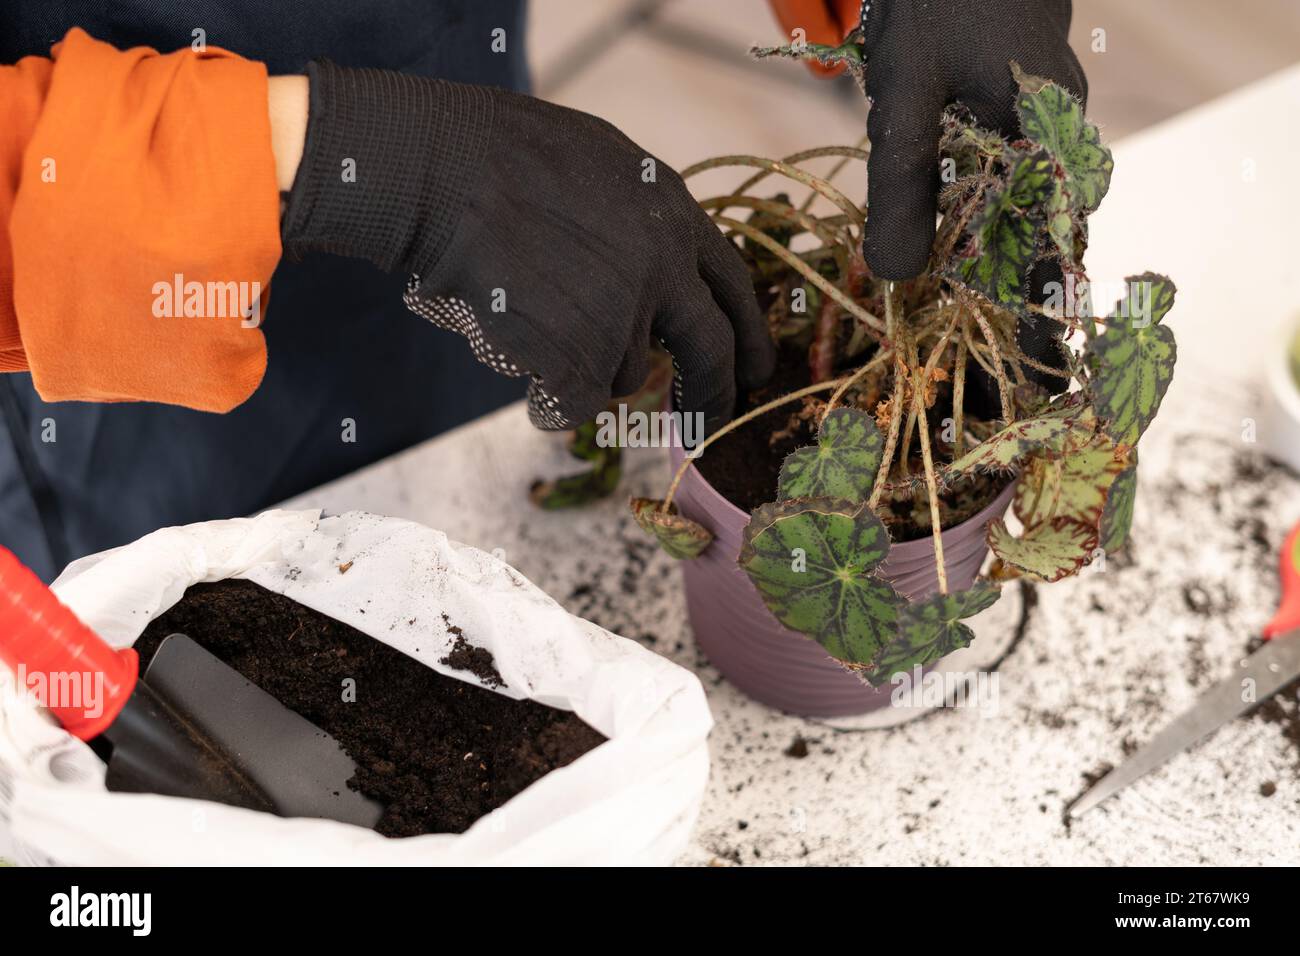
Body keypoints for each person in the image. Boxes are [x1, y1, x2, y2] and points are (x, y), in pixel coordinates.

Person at [0, 1, 1085, 581]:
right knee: (197, 645)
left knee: (464, 537)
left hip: (452, 167)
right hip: (110, 311)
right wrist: (361, 156)